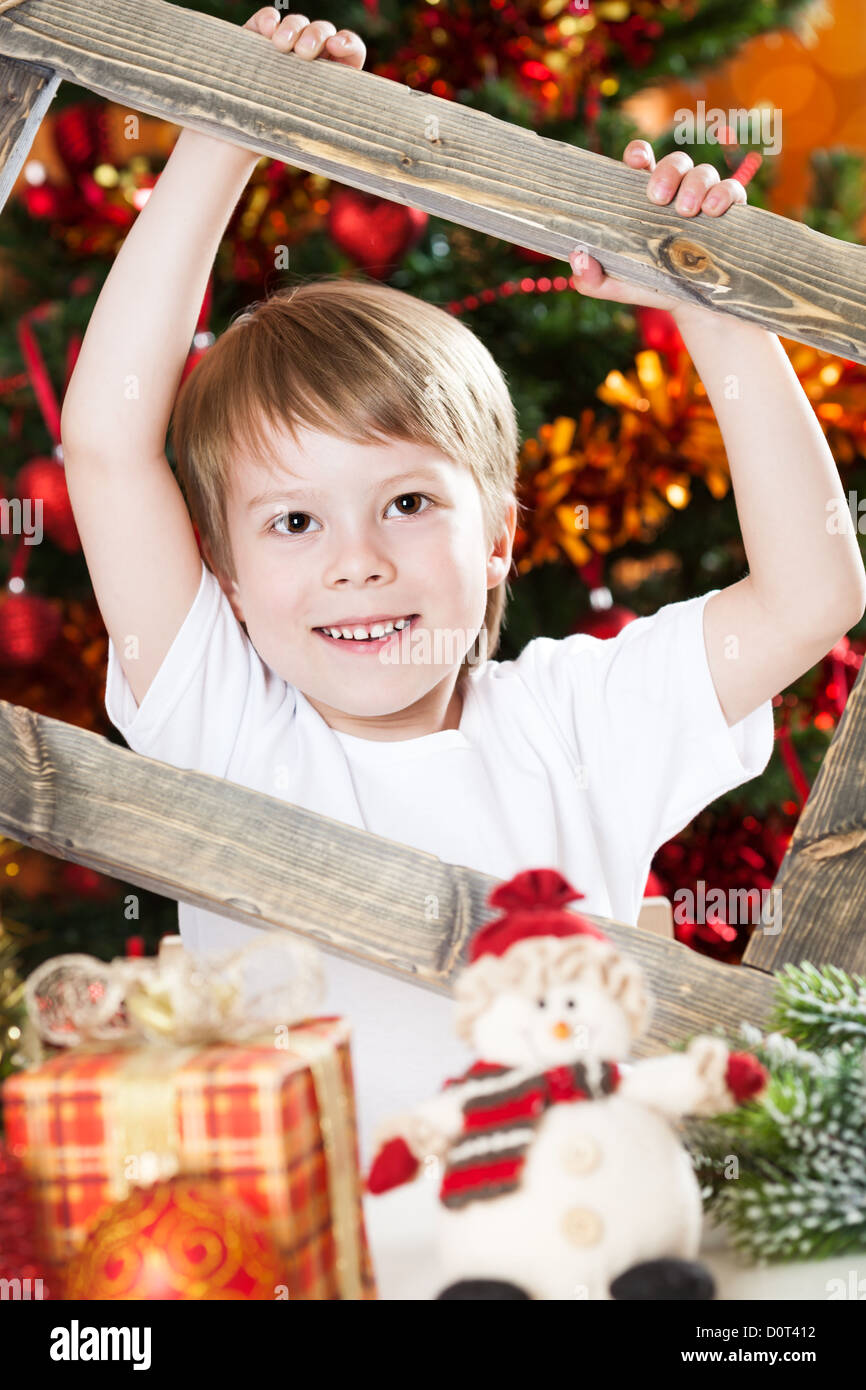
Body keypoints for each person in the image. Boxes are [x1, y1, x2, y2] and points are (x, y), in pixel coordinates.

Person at [60, 7, 865, 1164]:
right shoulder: (219, 720)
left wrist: (719, 323)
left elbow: (807, 599)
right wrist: (223, 130)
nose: (356, 559)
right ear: (226, 578)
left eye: (406, 503)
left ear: (496, 537)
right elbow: (104, 444)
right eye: (294, 520)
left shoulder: (576, 721)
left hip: (561, 1247)